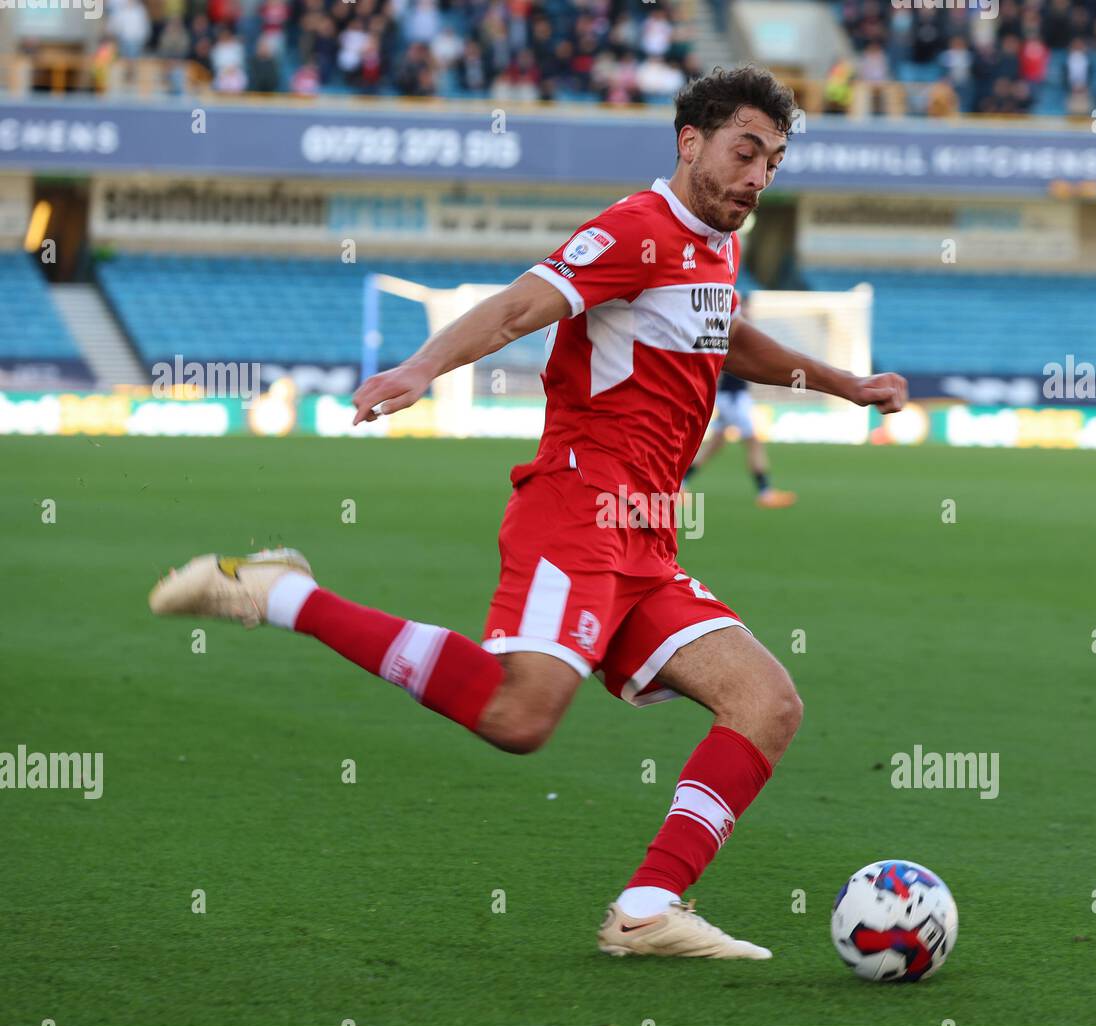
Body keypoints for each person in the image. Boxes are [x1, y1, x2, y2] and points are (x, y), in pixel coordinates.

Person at [149, 66, 907, 960]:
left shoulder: (715, 242)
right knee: (520, 717)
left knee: (766, 702)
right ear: (690, 141)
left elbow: (728, 334)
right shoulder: (637, 228)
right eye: (746, 151)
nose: (757, 175)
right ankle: (281, 595)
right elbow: (519, 305)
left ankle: (648, 907)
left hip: (645, 537)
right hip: (576, 511)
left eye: (773, 161)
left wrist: (839, 383)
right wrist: (422, 370)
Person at [684, 294, 797, 508]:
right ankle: (765, 492)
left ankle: (680, 483)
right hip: (733, 398)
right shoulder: (730, 328)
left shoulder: (732, 328)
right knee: (753, 442)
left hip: (731, 397)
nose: (748, 311)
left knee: (715, 444)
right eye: (745, 306)